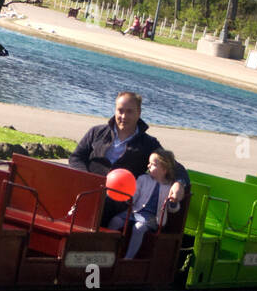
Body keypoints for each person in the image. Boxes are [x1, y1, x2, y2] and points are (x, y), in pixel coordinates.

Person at [69, 90, 190, 226]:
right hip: (88, 188)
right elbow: (76, 157)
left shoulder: (148, 144)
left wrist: (179, 183)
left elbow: (176, 167)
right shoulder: (97, 132)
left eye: (129, 111)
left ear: (139, 113)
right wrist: (87, 178)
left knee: (101, 203)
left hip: (121, 200)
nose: (123, 116)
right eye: (120, 111)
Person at [106, 149, 186, 259]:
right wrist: (129, 199)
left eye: (153, 164)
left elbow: (173, 208)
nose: (148, 166)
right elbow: (135, 193)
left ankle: (128, 258)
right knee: (115, 221)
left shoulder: (169, 186)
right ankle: (108, 250)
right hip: (134, 212)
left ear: (164, 169)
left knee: (138, 228)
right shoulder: (143, 179)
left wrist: (173, 203)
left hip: (152, 218)